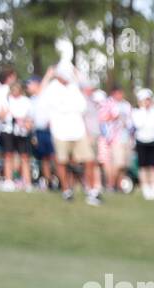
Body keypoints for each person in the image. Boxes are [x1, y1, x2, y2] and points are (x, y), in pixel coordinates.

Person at [41, 64, 96, 202]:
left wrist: (78, 75)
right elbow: (42, 95)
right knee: (62, 161)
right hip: (60, 131)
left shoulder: (74, 87)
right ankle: (66, 190)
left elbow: (83, 105)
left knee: (89, 159)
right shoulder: (52, 88)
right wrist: (48, 75)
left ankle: (91, 191)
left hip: (78, 130)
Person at [131, 88, 154, 200]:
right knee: (143, 167)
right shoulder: (136, 112)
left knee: (153, 167)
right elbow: (139, 124)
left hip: (153, 140)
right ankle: (146, 189)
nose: (147, 102)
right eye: (145, 100)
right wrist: (144, 110)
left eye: (148, 100)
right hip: (141, 141)